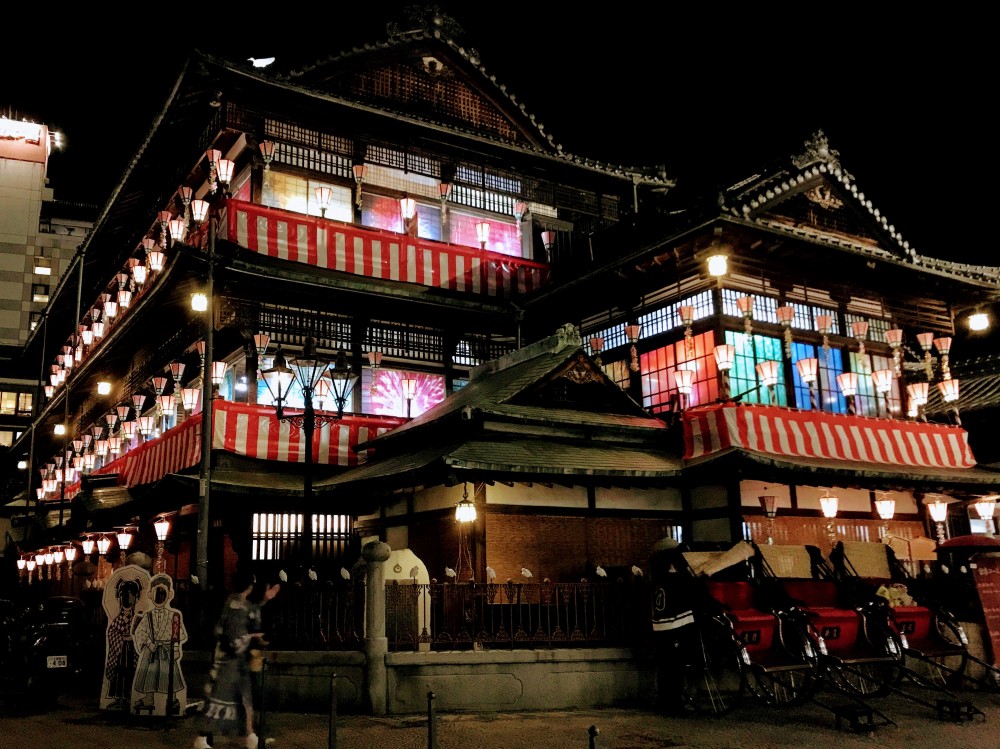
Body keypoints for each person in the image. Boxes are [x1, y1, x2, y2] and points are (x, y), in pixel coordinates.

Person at [194, 571, 280, 749]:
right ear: (249, 586)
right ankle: (201, 739)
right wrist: (254, 636)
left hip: (235, 661)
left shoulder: (235, 602)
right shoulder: (235, 606)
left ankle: (250, 736)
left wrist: (264, 600)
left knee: (245, 699)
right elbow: (234, 639)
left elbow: (250, 613)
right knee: (217, 700)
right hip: (228, 662)